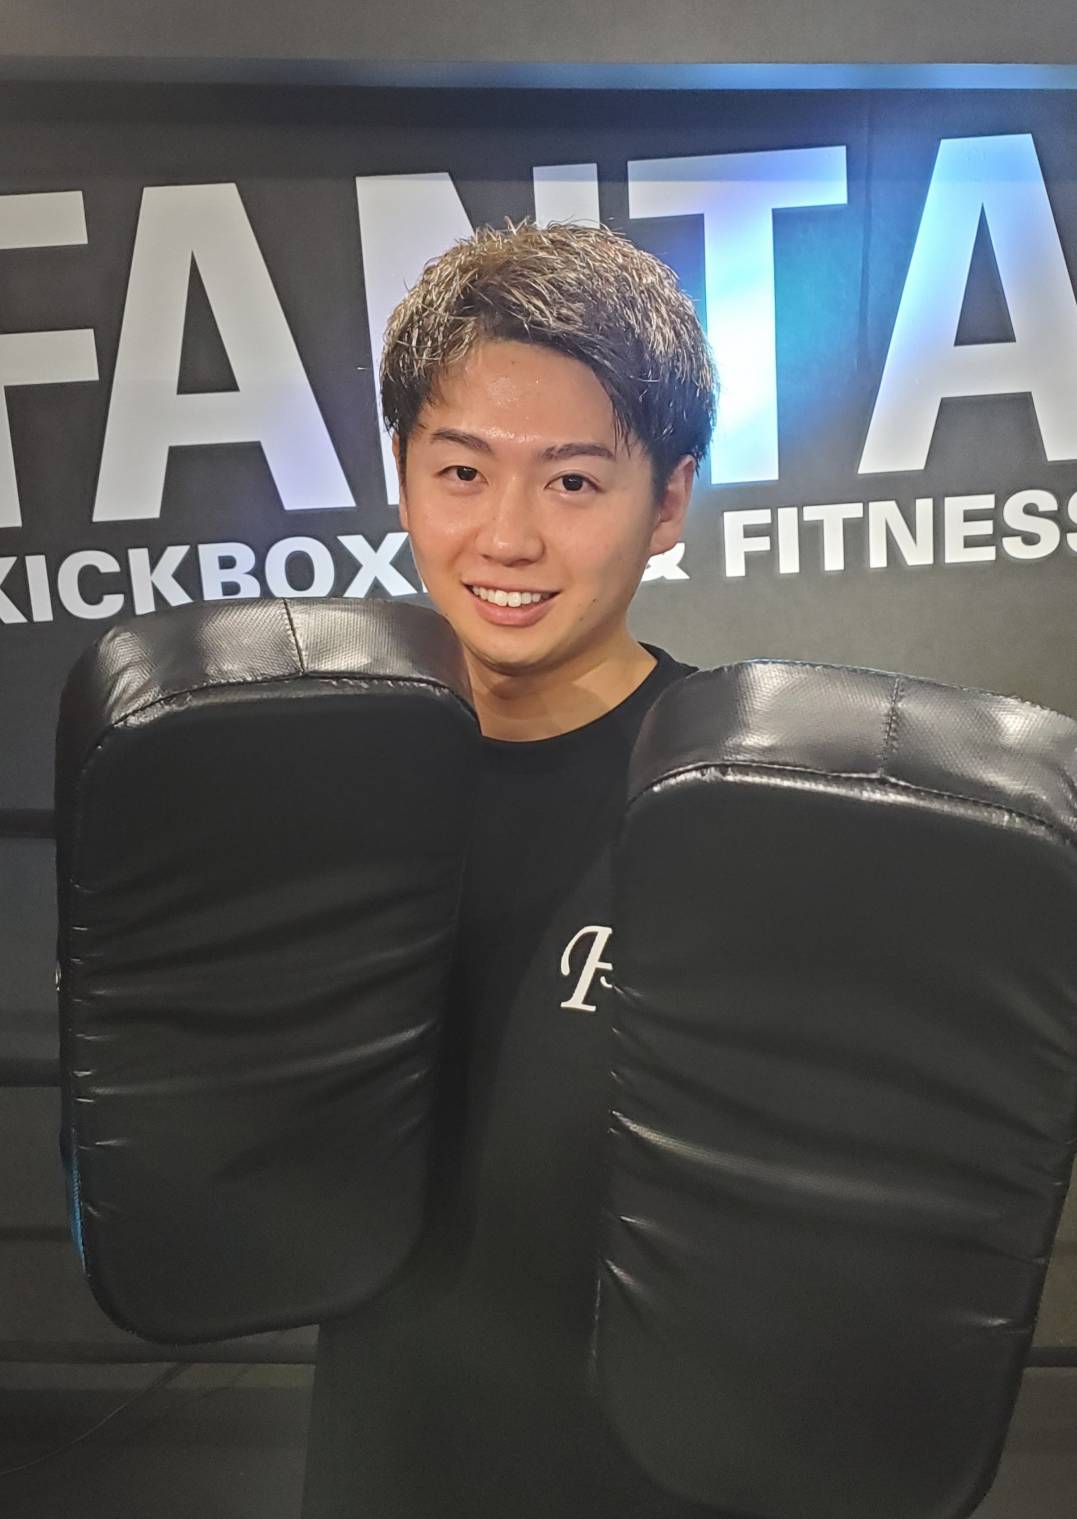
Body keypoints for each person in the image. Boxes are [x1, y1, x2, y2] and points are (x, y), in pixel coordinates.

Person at [301, 217, 718, 1518]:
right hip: (384, 1466)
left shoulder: (736, 806)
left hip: (670, 1479)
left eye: (574, 482)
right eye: (462, 471)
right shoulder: (321, 791)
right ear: (404, 478)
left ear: (667, 502)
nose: (507, 537)